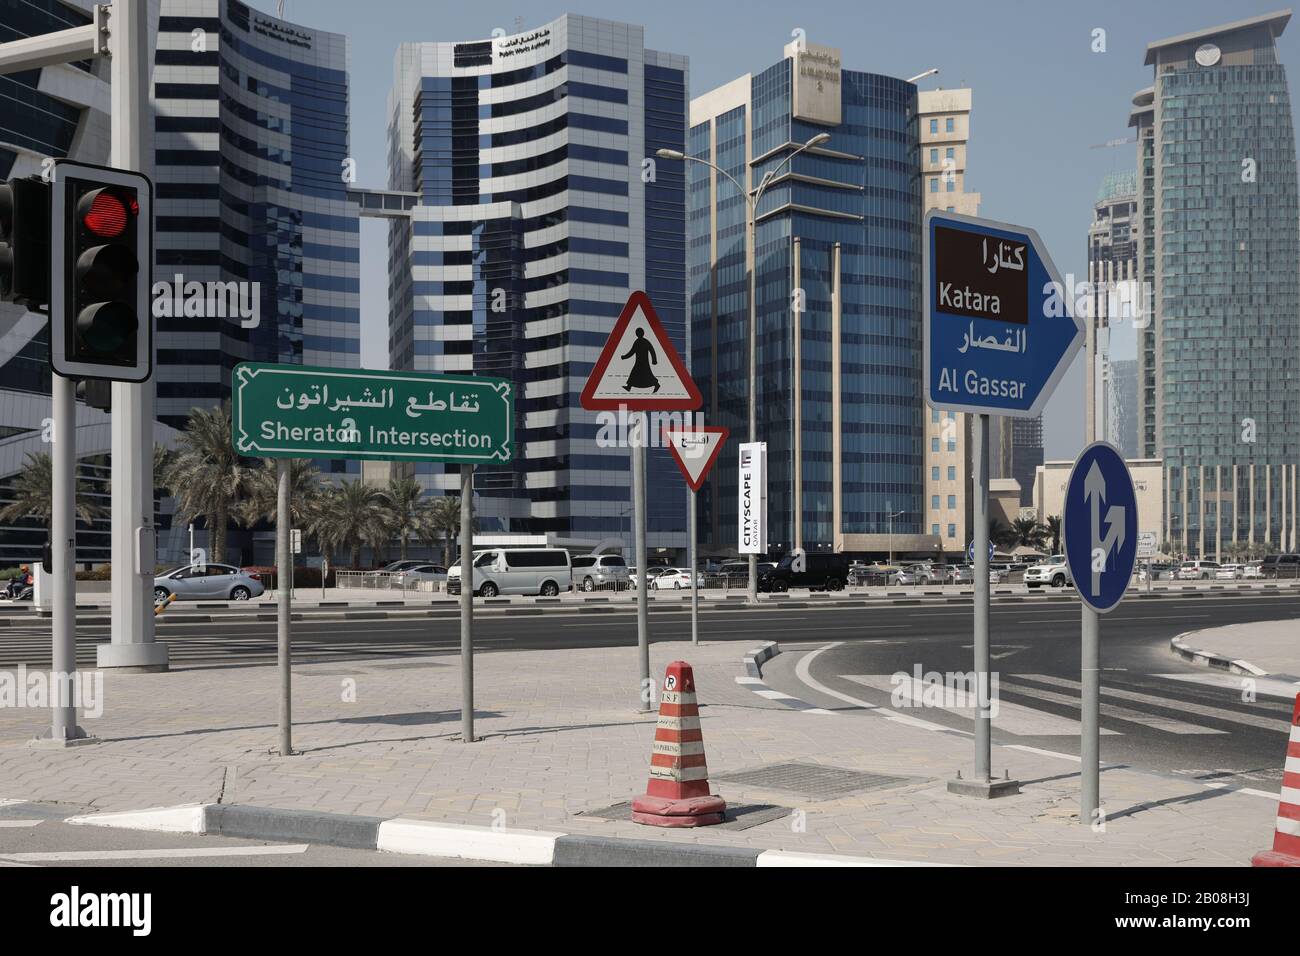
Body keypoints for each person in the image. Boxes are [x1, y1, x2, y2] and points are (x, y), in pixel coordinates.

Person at [620, 327, 660, 393]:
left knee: (646, 374)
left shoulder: (642, 341)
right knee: (635, 373)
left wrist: (654, 360)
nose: (637, 334)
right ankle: (629, 387)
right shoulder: (638, 342)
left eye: (638, 333)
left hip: (643, 362)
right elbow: (632, 352)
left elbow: (651, 350)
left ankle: (657, 385)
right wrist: (624, 357)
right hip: (639, 362)